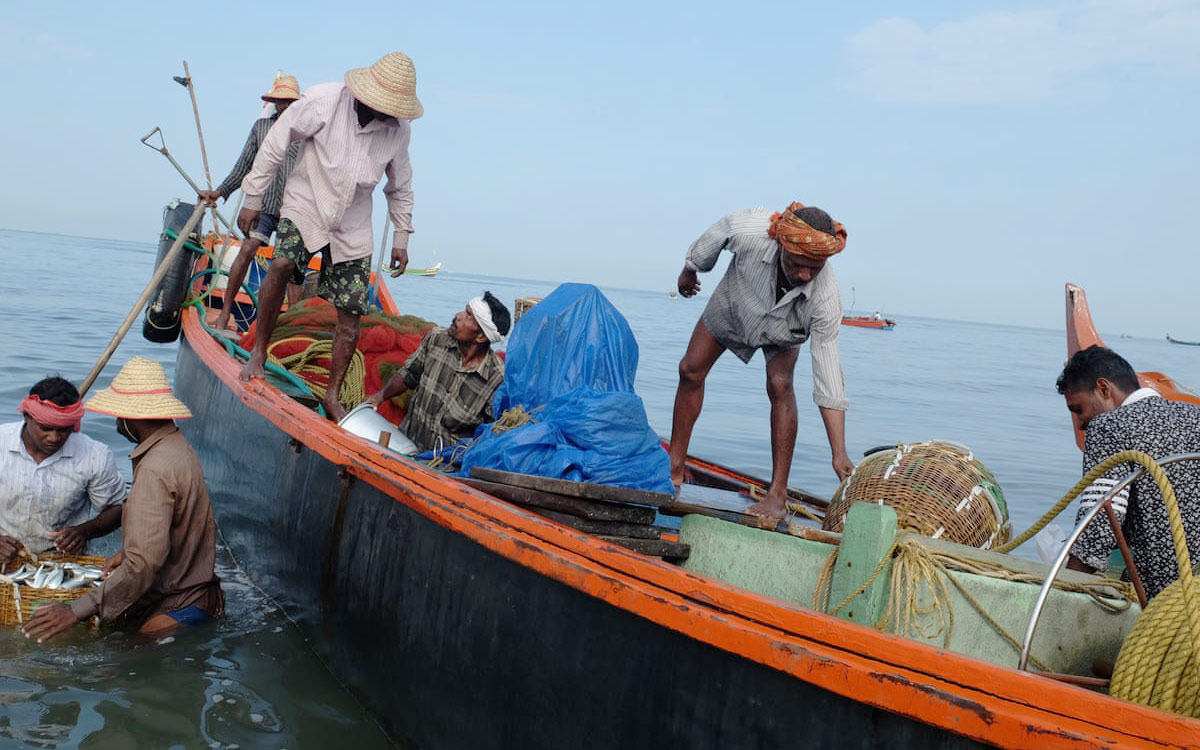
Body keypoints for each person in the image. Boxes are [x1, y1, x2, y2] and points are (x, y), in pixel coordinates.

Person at [235, 52, 422, 421]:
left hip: (353, 220)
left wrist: (402, 235)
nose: (387, 114)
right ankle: (259, 351)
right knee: (282, 264)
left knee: (352, 311)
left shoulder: (398, 131)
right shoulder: (324, 100)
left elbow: (400, 187)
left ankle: (333, 394)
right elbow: (275, 143)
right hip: (306, 200)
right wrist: (253, 197)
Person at [670, 202, 853, 522]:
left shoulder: (825, 298)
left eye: (815, 267)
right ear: (782, 244)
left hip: (786, 325)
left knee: (781, 386)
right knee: (690, 369)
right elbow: (718, 232)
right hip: (734, 304)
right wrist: (691, 269)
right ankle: (673, 468)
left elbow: (828, 374)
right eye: (797, 264)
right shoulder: (750, 229)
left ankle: (777, 497)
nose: (805, 274)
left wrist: (839, 453)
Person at [23, 358, 224, 642]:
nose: (116, 422)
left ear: (132, 418)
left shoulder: (155, 469)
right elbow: (177, 530)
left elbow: (143, 565)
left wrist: (74, 610)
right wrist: (128, 551)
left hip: (178, 605)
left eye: (118, 415)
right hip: (197, 593)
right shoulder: (177, 448)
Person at [1057, 345, 1200, 598]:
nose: (1080, 423)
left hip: (1163, 596)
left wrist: (1059, 589)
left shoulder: (1108, 427)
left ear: (1103, 389)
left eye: (1078, 409)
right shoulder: (1193, 415)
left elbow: (1098, 529)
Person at [199, 73, 305, 332]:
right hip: (263, 205)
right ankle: (225, 312)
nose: (286, 106)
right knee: (248, 249)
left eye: (291, 102)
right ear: (275, 103)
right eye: (281, 101)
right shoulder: (261, 128)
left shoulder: (307, 134)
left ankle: (290, 329)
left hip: (295, 209)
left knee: (290, 269)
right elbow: (244, 165)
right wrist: (221, 191)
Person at [0, 377, 125, 562]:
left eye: (64, 430)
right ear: (27, 417)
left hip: (61, 562)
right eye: (45, 429)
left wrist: (85, 531)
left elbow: (118, 507)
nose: (54, 438)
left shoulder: (95, 455)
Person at [365, 293, 510, 452]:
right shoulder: (436, 339)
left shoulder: (496, 378)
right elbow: (408, 374)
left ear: (482, 336)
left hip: (444, 463)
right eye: (464, 310)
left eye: (468, 316)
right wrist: (380, 396)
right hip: (405, 443)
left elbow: (489, 432)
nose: (458, 316)